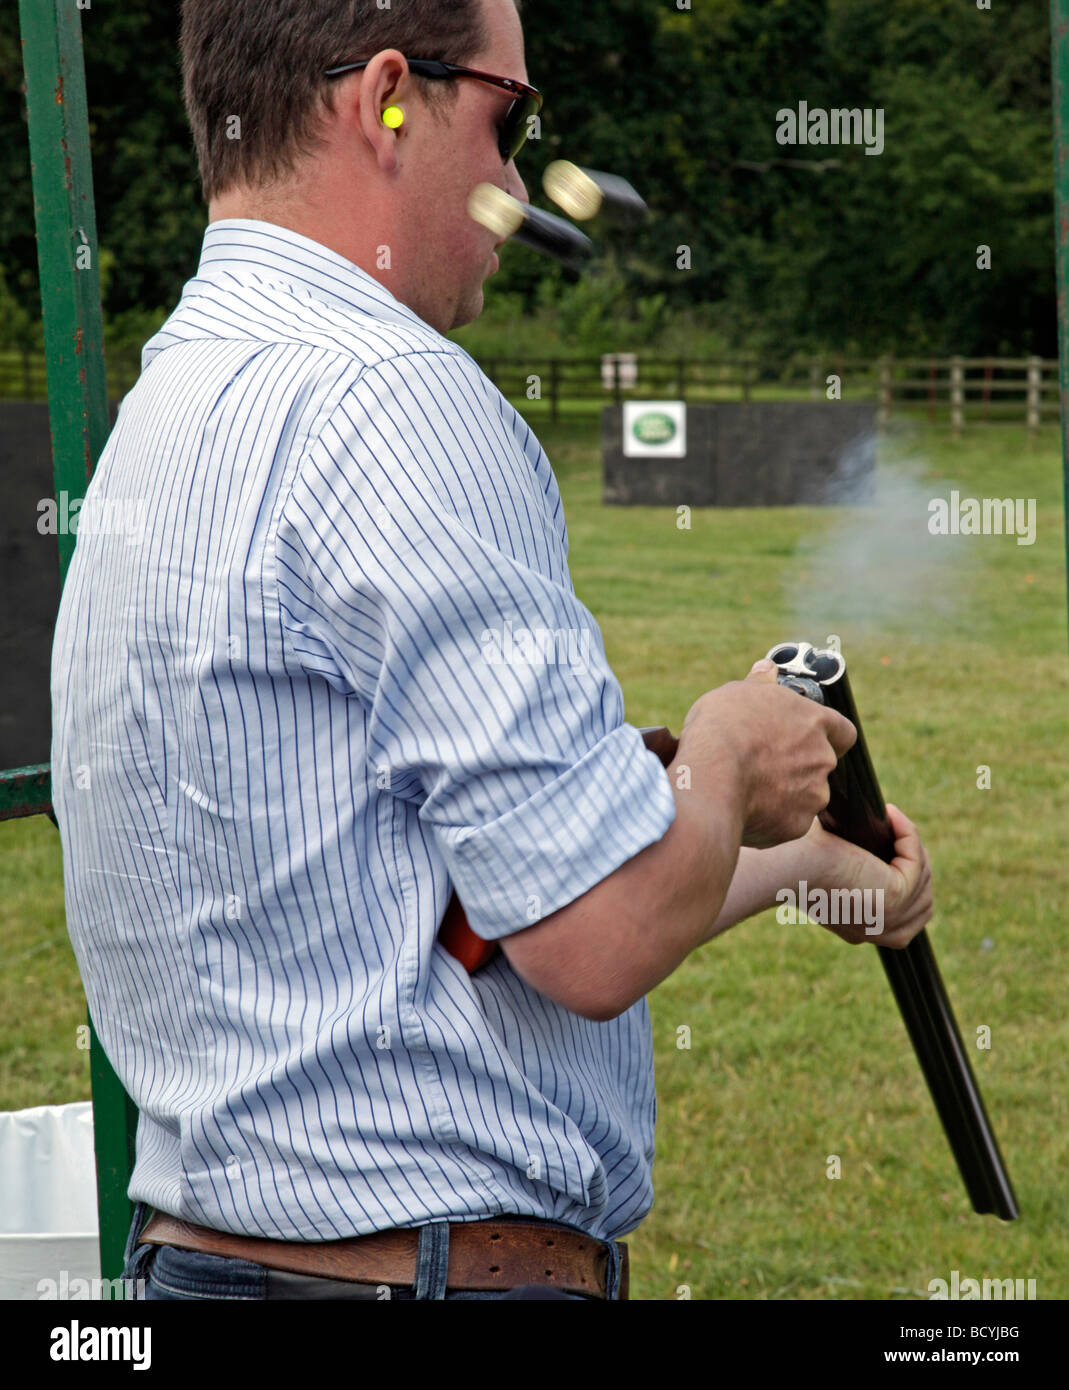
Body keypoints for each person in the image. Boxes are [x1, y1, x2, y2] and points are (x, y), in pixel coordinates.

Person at [49, 0, 932, 1302]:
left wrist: (800, 859)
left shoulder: (169, 401)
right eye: (510, 122)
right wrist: (732, 745)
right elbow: (596, 933)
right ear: (388, 97)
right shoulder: (393, 396)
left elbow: (477, 909)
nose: (518, 185)